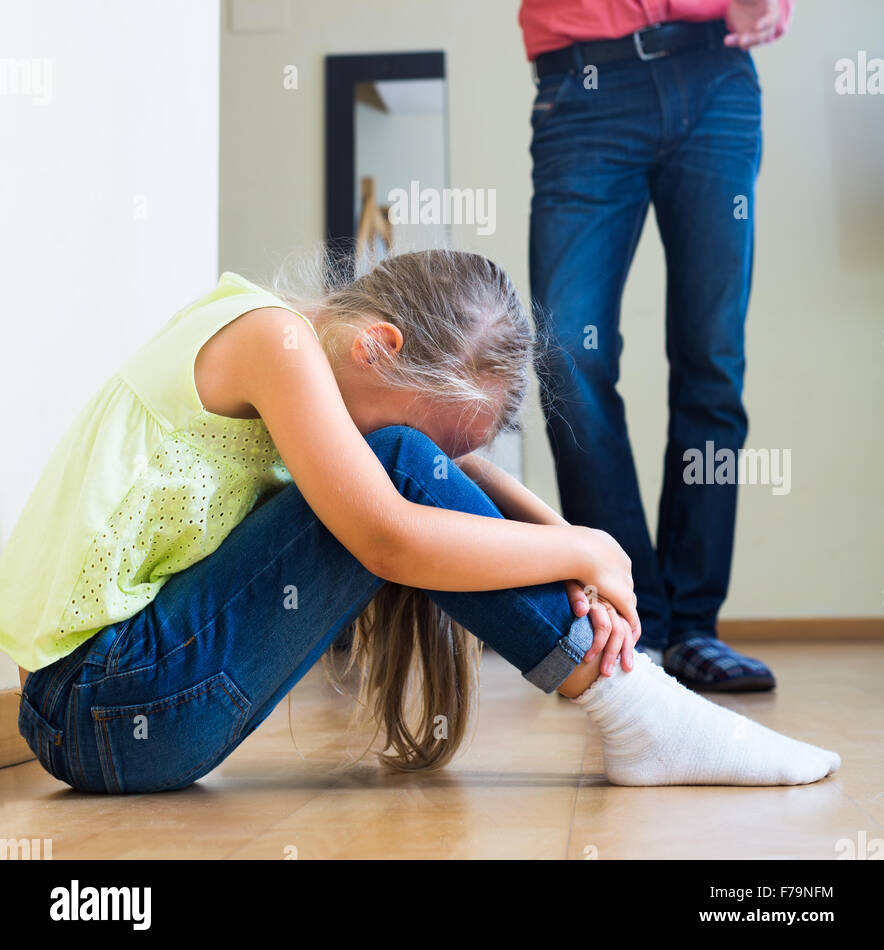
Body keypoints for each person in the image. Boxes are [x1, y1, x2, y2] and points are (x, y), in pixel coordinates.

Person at [215, 0, 791, 693]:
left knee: (711, 357)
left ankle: (694, 624)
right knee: (568, 353)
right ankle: (631, 615)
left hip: (713, 87)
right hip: (584, 100)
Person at [1, 249, 839, 793]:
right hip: (102, 706)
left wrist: (582, 552)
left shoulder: (303, 346)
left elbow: (456, 474)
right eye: (440, 436)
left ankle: (638, 702)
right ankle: (637, 710)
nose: (442, 464)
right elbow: (389, 533)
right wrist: (584, 546)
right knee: (397, 467)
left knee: (404, 460)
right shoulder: (271, 343)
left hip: (112, 711)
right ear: (378, 346)